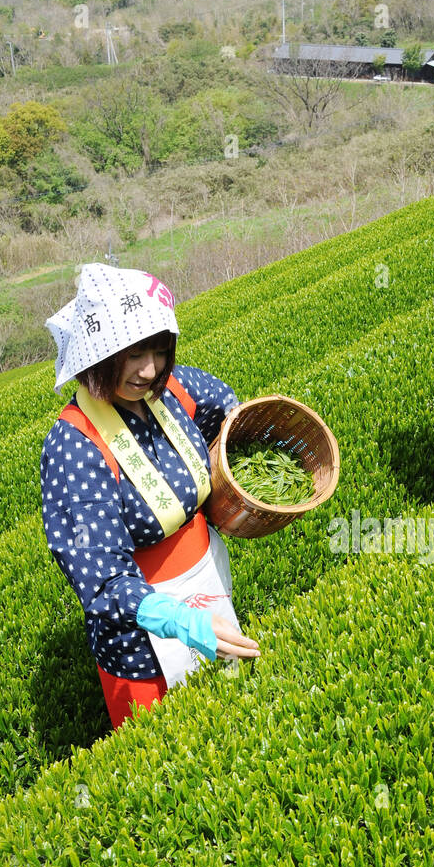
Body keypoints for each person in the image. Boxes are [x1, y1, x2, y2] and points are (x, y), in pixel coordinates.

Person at [41, 263, 260, 730]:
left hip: (206, 584)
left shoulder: (173, 389)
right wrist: (181, 622)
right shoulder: (73, 444)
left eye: (160, 353)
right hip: (143, 637)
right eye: (133, 356)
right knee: (170, 764)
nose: (149, 370)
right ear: (99, 358)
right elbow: (100, 578)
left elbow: (230, 411)